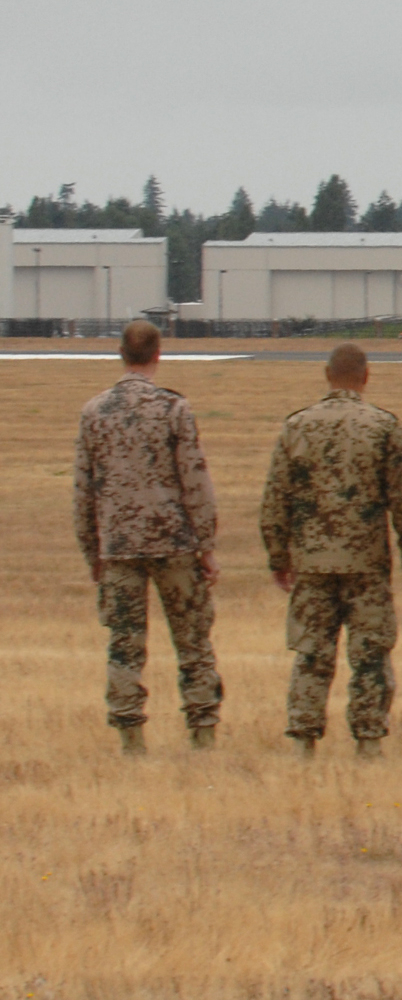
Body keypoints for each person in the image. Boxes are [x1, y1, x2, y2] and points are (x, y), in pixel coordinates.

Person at [260, 342, 402, 758]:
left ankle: (303, 742)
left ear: (326, 375)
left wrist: (279, 557)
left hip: (312, 563)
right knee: (370, 654)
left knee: (311, 653)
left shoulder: (298, 426)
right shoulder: (382, 426)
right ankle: (368, 741)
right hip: (366, 561)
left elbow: (276, 498)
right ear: (366, 378)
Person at [75, 320, 222, 754]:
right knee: (193, 642)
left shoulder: (94, 412)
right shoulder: (174, 408)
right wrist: (207, 546)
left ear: (121, 354)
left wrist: (92, 552)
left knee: (124, 647)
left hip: (119, 547)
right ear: (158, 355)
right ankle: (203, 734)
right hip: (174, 542)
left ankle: (131, 740)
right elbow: (195, 481)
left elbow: (83, 490)